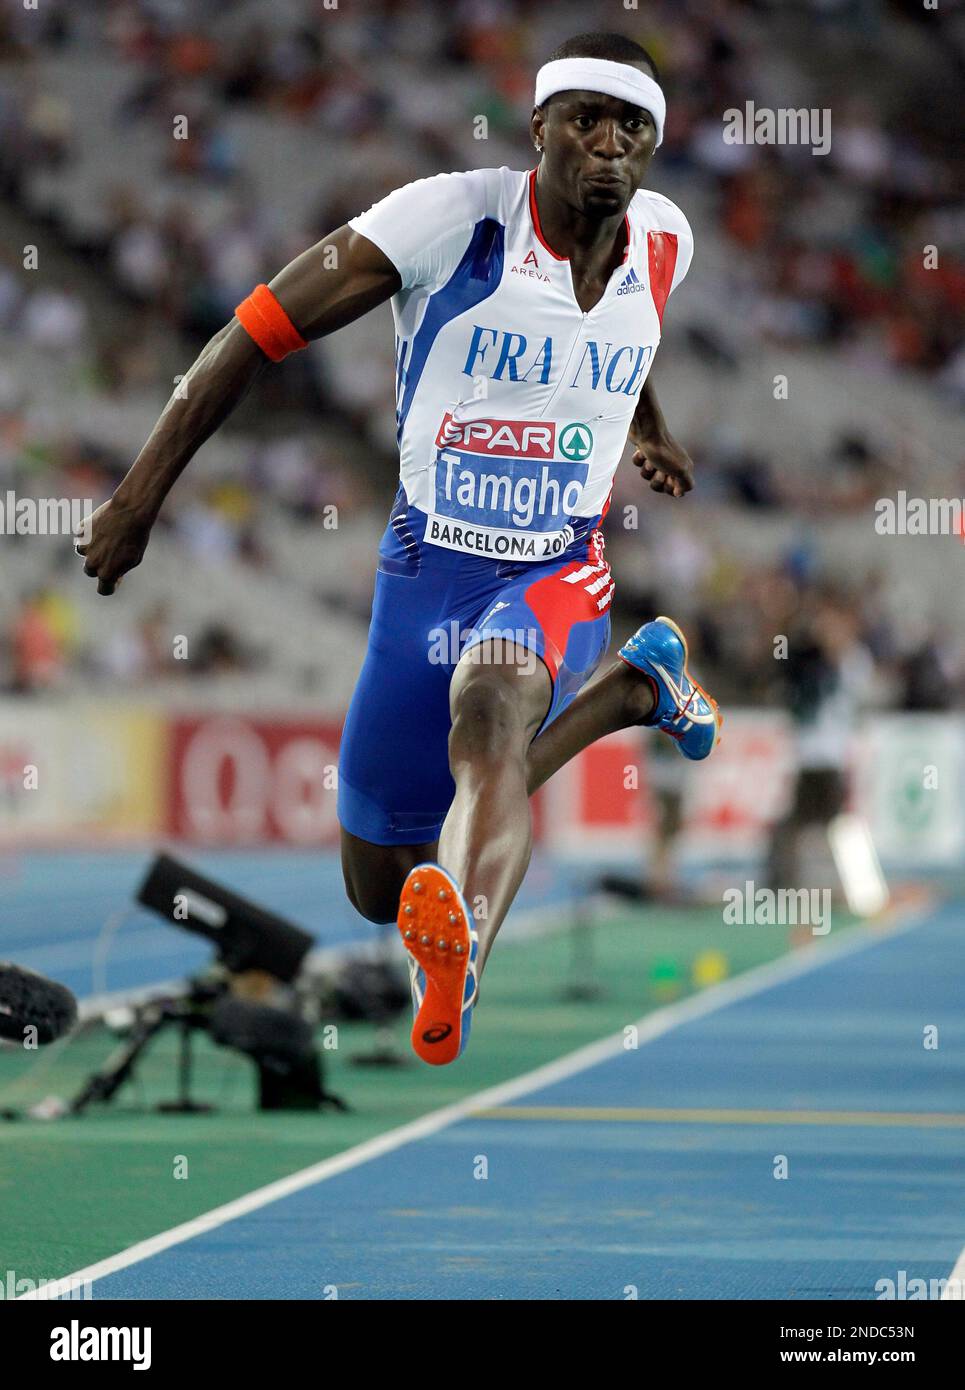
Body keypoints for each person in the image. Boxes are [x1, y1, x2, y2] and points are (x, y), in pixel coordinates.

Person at [76, 32, 721, 1067]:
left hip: (554, 567)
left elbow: (619, 338)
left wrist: (643, 424)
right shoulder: (448, 220)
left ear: (653, 144)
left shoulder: (663, 240)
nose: (606, 144)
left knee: (491, 722)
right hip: (426, 567)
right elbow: (250, 332)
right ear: (537, 130)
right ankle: (630, 694)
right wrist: (137, 498)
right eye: (583, 121)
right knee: (378, 882)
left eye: (630, 126)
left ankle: (455, 969)